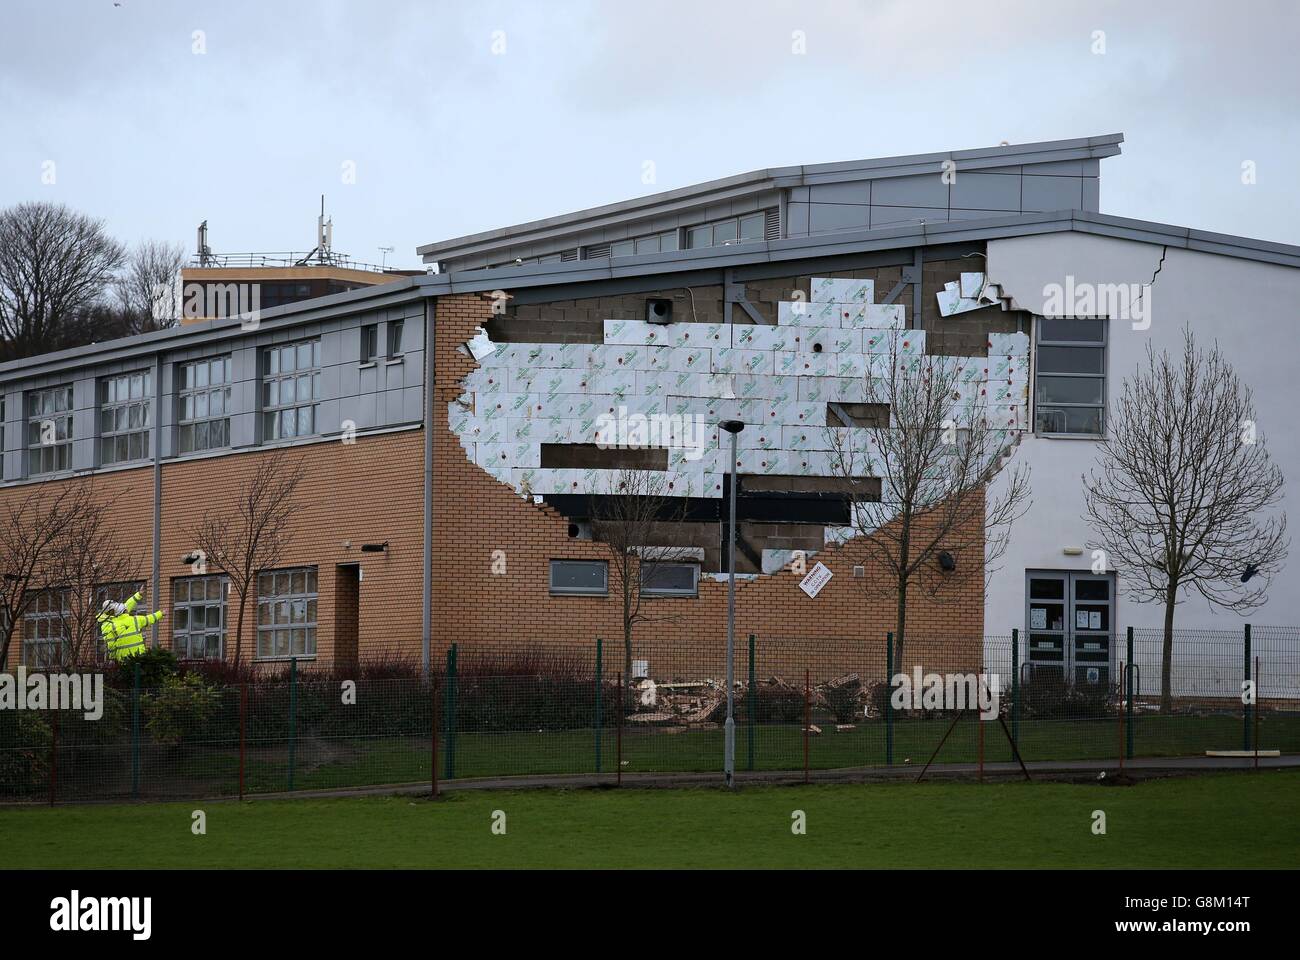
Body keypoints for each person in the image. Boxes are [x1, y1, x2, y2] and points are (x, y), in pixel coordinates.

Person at [98, 590, 164, 662]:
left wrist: (112, 659)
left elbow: (111, 645)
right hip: (139, 657)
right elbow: (148, 619)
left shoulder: (109, 624)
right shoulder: (134, 620)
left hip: (123, 659)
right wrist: (161, 613)